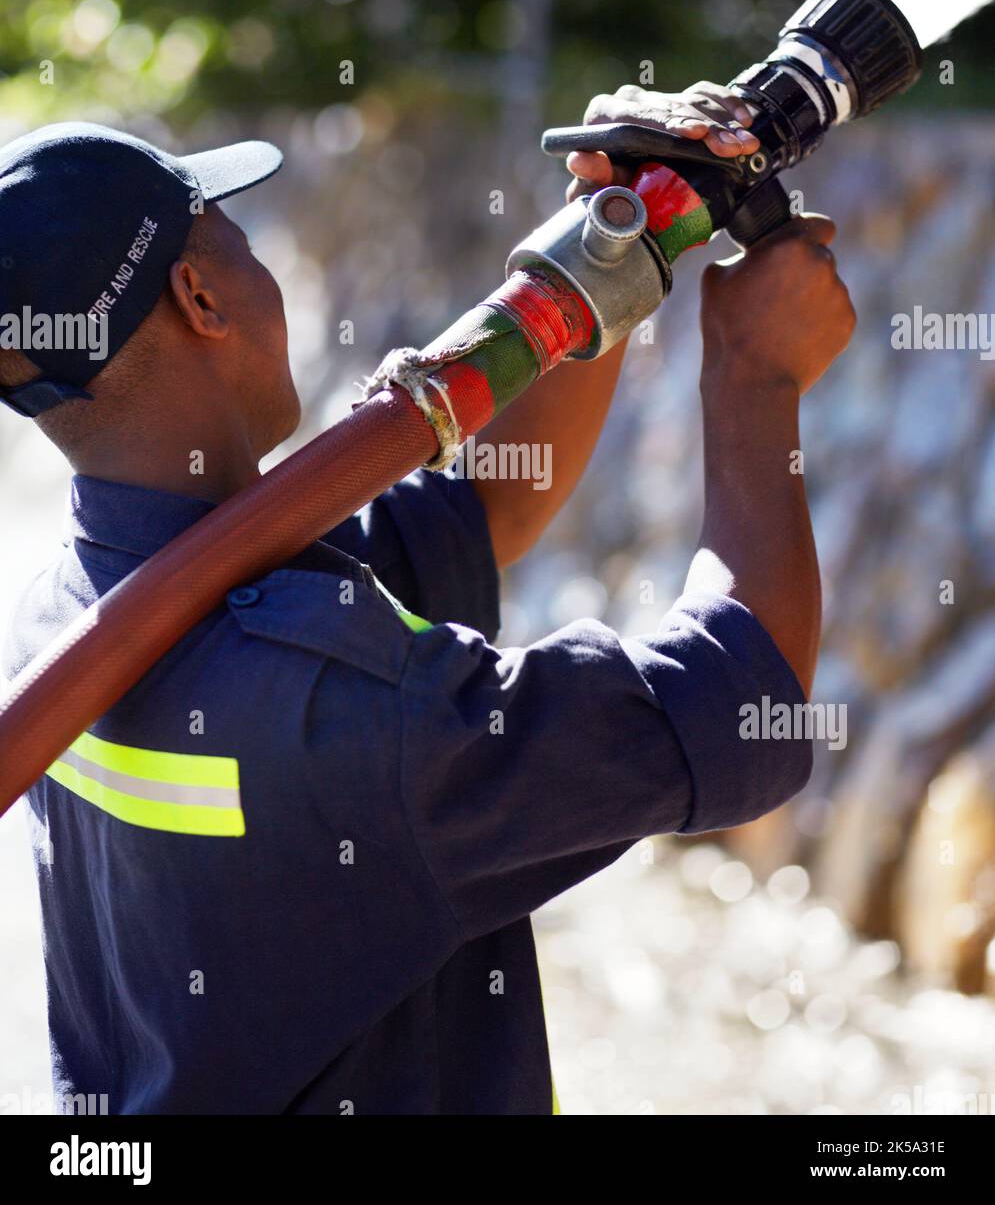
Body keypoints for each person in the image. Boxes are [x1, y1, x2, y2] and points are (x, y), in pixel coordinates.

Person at [0, 83, 854, 1114]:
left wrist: (612, 255)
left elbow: (486, 507)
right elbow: (739, 701)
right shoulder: (346, 705)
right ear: (202, 298)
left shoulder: (63, 619)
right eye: (237, 236)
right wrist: (753, 376)